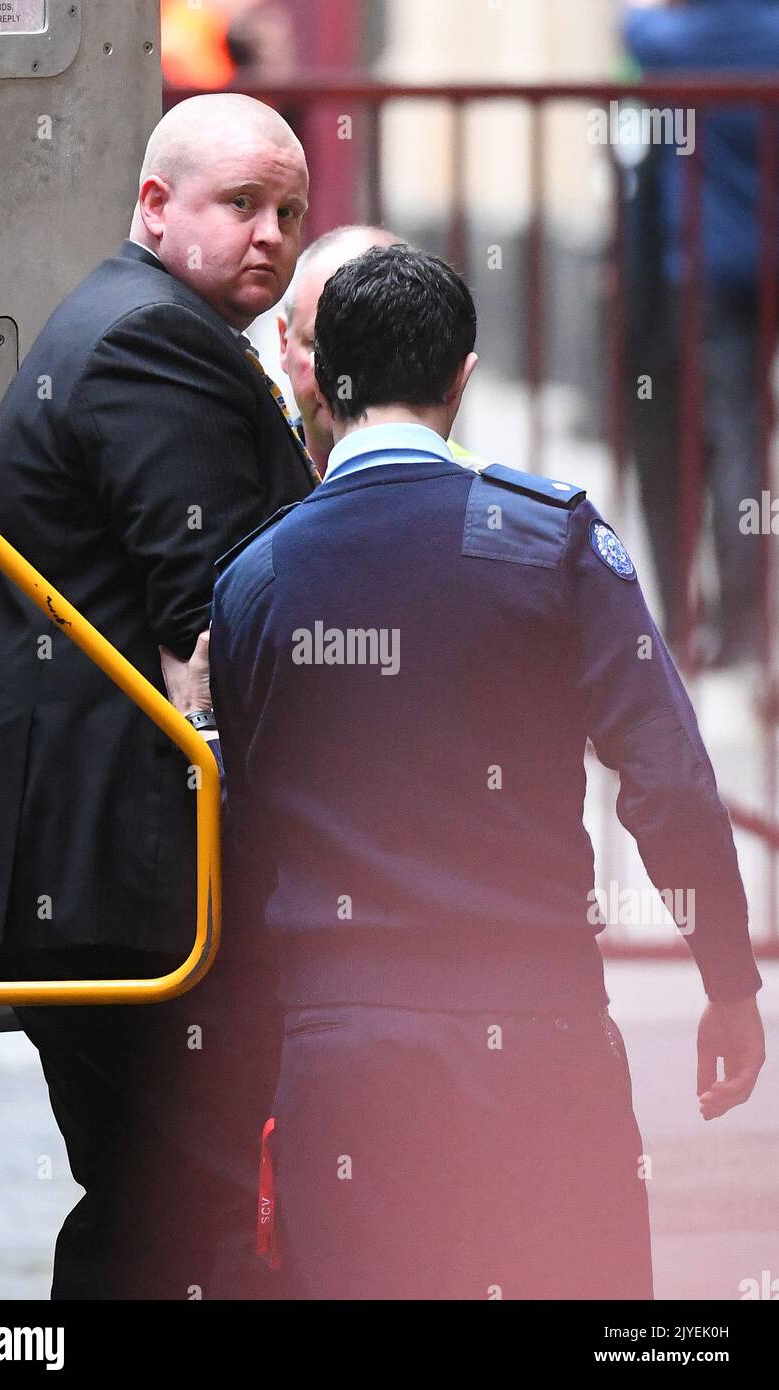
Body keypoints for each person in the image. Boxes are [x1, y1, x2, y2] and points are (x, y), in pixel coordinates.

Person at [209, 245, 766, 1300]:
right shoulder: (547, 544)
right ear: (461, 376)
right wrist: (728, 982)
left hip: (341, 1046)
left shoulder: (253, 579)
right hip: (534, 1029)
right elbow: (670, 783)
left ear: (321, 382)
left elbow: (247, 820)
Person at [0, 93, 315, 1299]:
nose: (270, 234)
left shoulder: (139, 322)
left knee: (156, 1196)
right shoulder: (155, 341)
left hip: (102, 862)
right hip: (128, 868)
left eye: (290, 211)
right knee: (179, 1204)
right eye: (239, 204)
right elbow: (216, 607)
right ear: (156, 205)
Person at [623, 0, 779, 667]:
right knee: (746, 424)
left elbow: (632, 25)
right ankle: (740, 618)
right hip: (762, 258)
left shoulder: (677, 36)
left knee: (729, 430)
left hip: (709, 265)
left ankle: (733, 625)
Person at [278, 222, 484, 476]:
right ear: (283, 343)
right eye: (318, 343)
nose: (354, 375)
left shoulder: (478, 491)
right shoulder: (245, 492)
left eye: (384, 343)